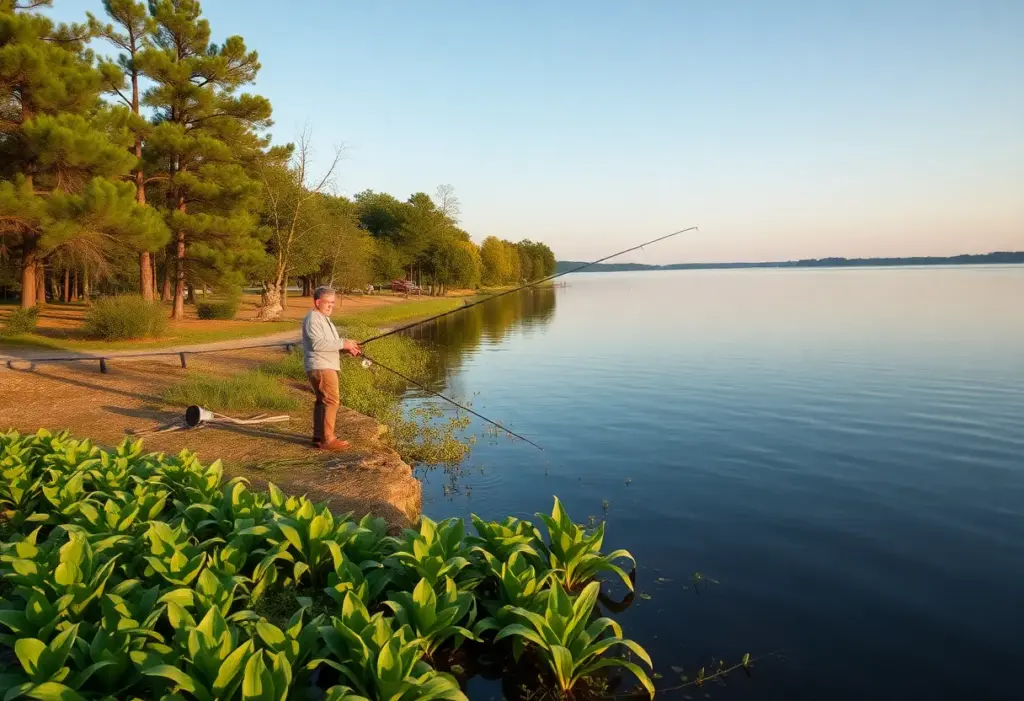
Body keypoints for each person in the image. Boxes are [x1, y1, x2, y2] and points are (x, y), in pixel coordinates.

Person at [302, 286, 361, 450]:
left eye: (333, 303)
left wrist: (346, 348)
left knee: (322, 401)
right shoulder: (313, 319)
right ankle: (328, 440)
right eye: (327, 303)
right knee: (331, 400)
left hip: (324, 364)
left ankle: (319, 438)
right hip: (321, 366)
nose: (331, 306)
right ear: (318, 302)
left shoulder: (323, 319)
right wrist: (343, 343)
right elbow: (317, 344)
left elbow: (327, 344)